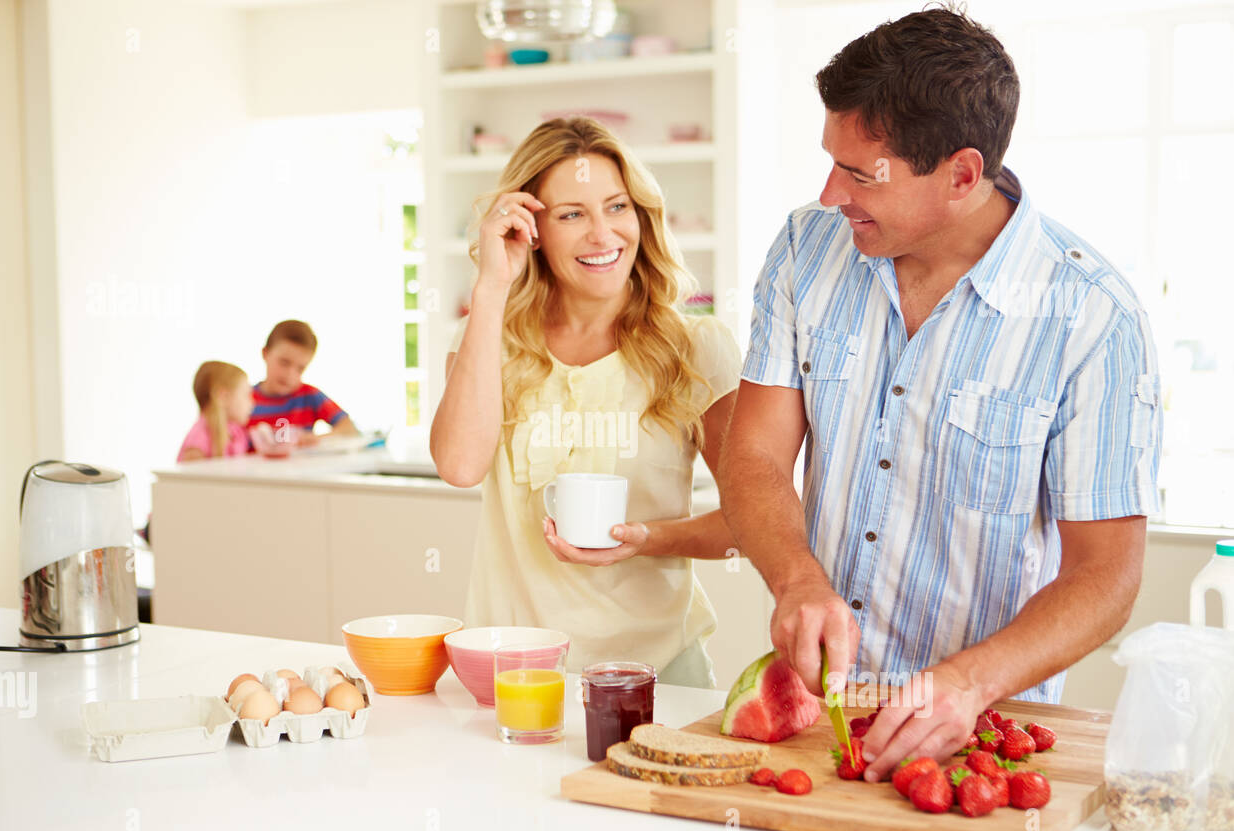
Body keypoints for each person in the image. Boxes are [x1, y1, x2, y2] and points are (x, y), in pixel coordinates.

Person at [720, 8, 1161, 779]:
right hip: (819, 732)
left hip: (977, 740)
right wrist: (795, 578)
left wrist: (967, 684)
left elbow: (1106, 575)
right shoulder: (802, 251)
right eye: (833, 162)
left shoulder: (1093, 316)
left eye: (861, 175)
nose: (830, 195)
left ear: (961, 174)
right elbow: (754, 454)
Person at [430, 117, 742, 688]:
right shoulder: (485, 340)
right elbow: (457, 465)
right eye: (572, 214)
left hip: (659, 673)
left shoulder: (697, 347)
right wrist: (491, 288)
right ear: (532, 230)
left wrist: (648, 539)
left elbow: (752, 520)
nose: (604, 235)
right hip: (514, 669)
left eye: (618, 207)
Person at [250, 319, 358, 447]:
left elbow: (349, 429)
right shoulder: (243, 400)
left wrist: (317, 439)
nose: (290, 375)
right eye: (284, 362)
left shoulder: (309, 395)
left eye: (300, 368)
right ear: (265, 353)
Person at [178, 361, 254, 462]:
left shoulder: (237, 432)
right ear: (223, 396)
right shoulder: (199, 438)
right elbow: (188, 477)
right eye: (246, 395)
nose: (252, 402)